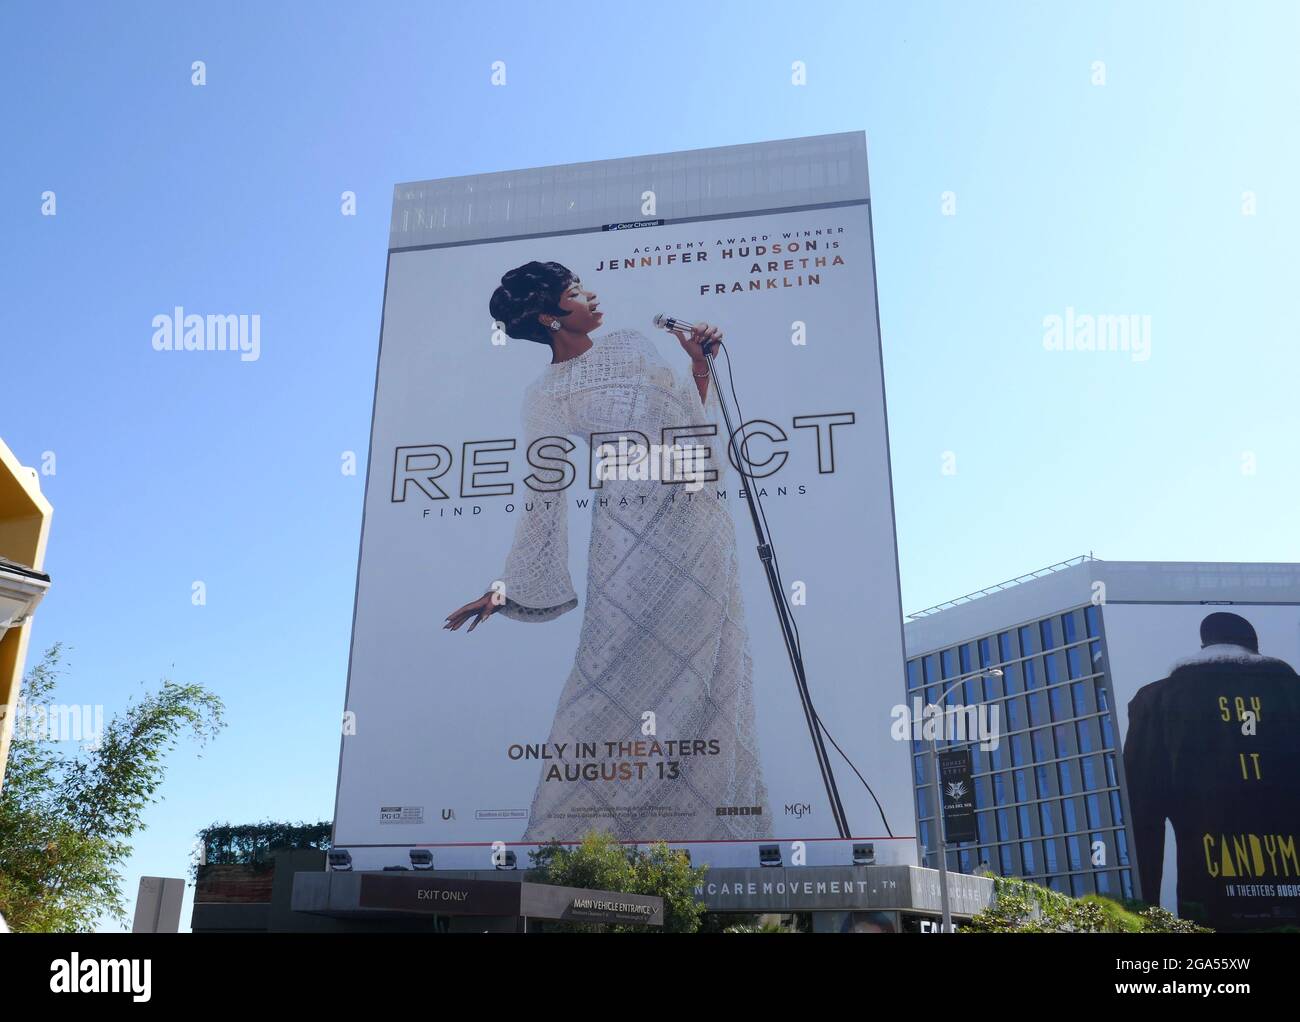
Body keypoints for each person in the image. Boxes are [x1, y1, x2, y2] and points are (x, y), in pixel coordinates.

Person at [444, 261, 771, 842]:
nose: (592, 296)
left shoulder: (630, 343)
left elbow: (688, 424)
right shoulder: (544, 394)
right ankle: (570, 841)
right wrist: (506, 588)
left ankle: (690, 837)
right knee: (607, 677)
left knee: (703, 673)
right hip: (627, 542)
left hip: (697, 528)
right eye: (575, 293)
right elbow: (543, 490)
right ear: (550, 316)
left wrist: (698, 366)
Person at [1123, 611, 1300, 930]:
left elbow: (1141, 815)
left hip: (1208, 894)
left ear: (1205, 644)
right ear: (1254, 646)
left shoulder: (1157, 700)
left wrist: (1142, 913)